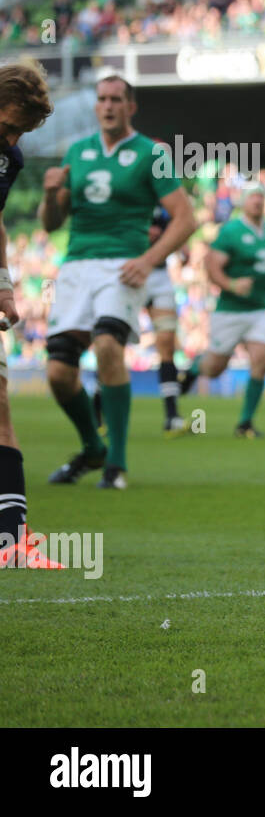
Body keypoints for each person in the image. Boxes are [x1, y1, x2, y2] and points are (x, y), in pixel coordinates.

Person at [41, 76, 196, 489]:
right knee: (58, 372)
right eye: (102, 99)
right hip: (75, 265)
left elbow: (185, 218)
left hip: (123, 264)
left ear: (131, 107)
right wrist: (49, 196)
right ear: (96, 107)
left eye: (116, 99)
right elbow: (53, 223)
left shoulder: (152, 153)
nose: (108, 106)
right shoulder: (77, 151)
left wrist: (148, 260)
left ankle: (117, 465)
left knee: (108, 344)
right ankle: (93, 448)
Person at [0, 61, 63, 567]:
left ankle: (13, 540)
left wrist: (4, 288)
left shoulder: (10, 156)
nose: (13, 138)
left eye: (21, 131)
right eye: (8, 126)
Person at [177, 178, 265, 437]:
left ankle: (245, 423)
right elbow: (212, 267)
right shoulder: (230, 231)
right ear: (243, 202)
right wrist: (231, 284)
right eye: (252, 196)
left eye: (260, 196)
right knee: (214, 368)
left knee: (261, 361)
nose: (257, 200)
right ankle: (194, 369)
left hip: (259, 310)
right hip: (230, 310)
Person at [93, 203, 189, 436]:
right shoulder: (125, 191)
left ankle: (172, 416)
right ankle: (97, 410)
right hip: (127, 272)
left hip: (158, 276)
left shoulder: (168, 200)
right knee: (112, 344)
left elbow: (183, 231)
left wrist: (177, 244)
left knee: (166, 342)